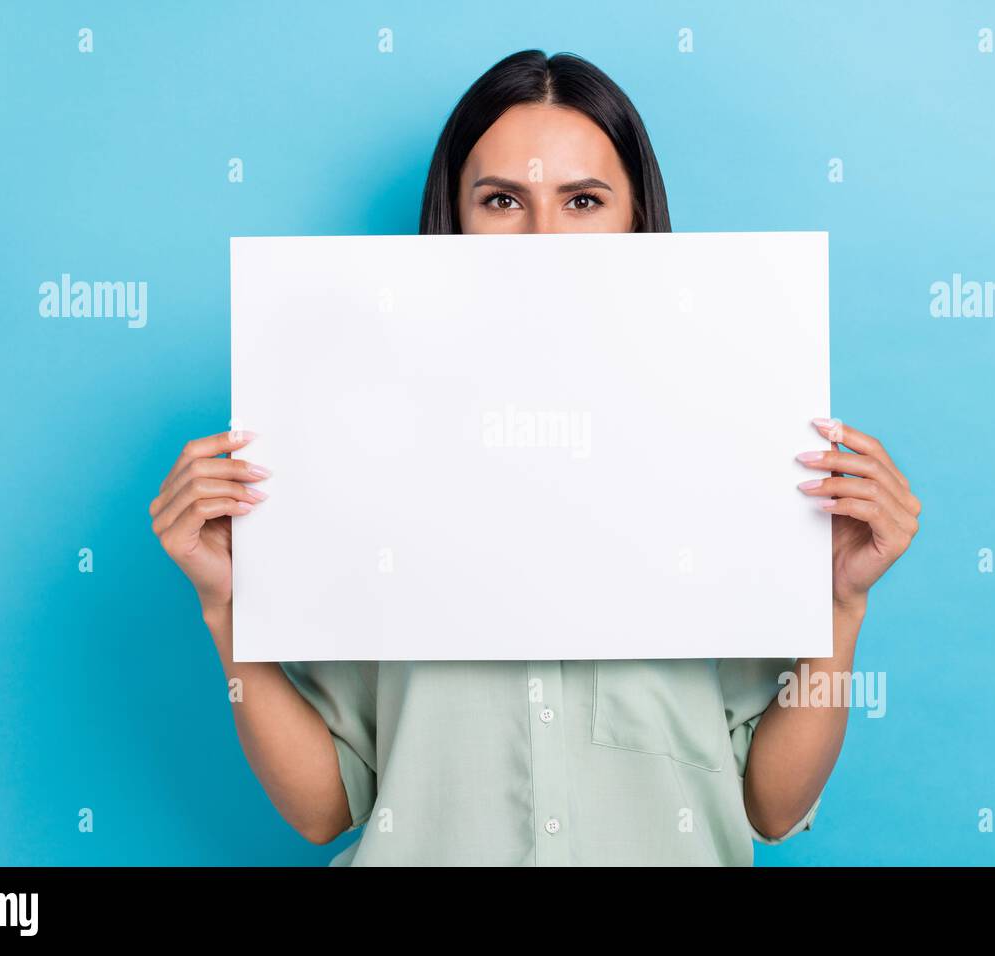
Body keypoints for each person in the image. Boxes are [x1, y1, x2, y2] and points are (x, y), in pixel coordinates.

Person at [148, 49, 921, 865]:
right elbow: (322, 806)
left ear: (636, 220)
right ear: (455, 220)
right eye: (502, 200)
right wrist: (225, 607)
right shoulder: (353, 438)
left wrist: (839, 608)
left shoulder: (741, 440)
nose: (543, 237)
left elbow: (770, 803)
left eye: (583, 200)